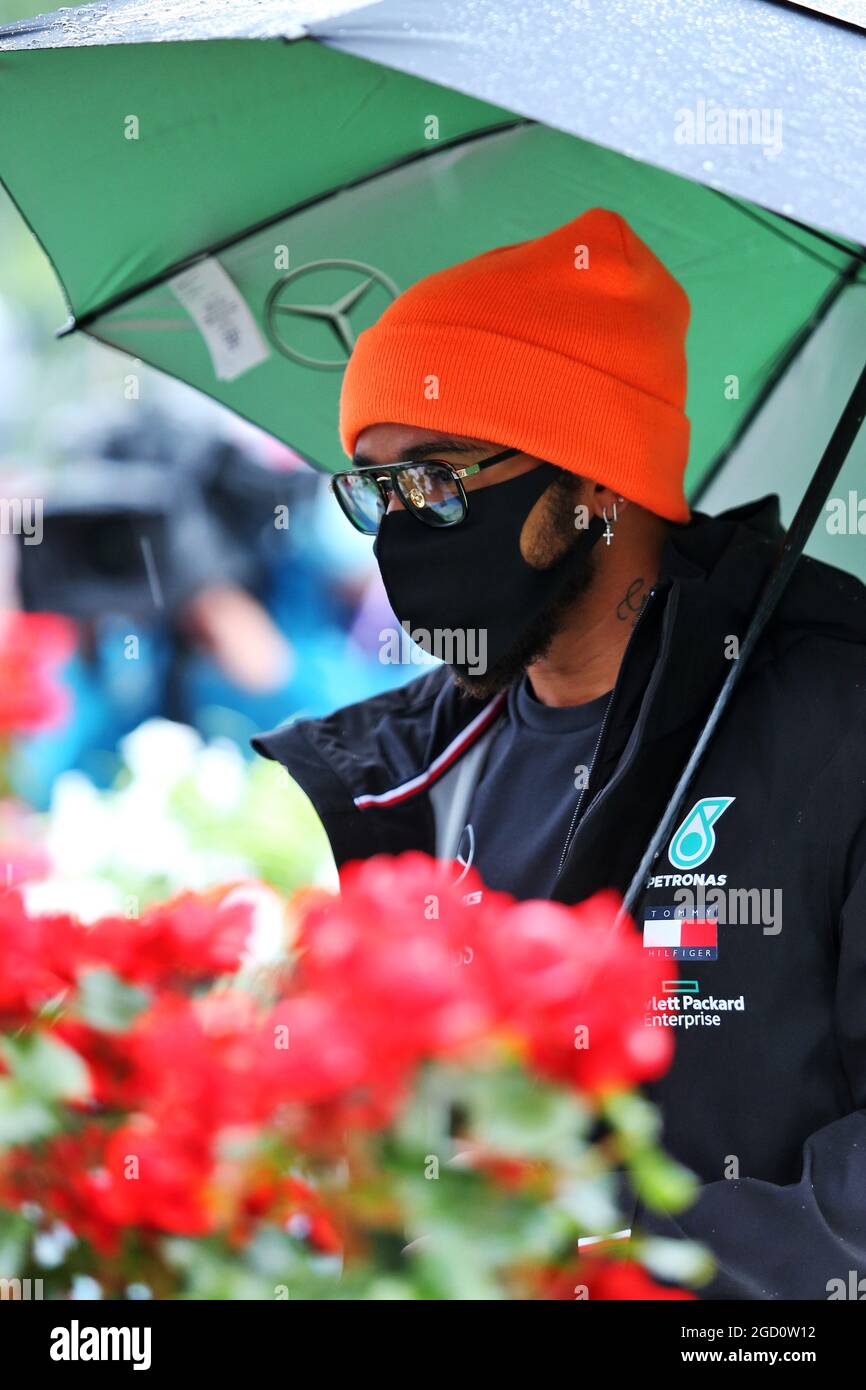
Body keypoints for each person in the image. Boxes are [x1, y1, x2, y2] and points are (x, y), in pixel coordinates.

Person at [254, 208, 866, 1299]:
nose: (398, 531)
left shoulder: (838, 719)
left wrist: (621, 1265)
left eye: (434, 485)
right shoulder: (410, 767)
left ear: (592, 483)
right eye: (372, 489)